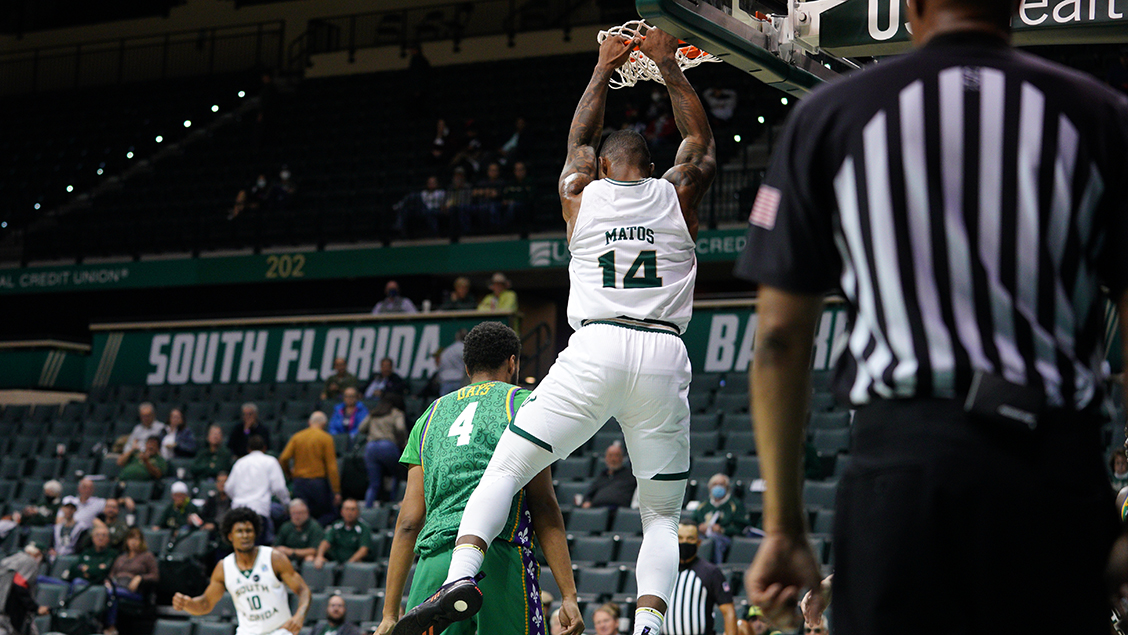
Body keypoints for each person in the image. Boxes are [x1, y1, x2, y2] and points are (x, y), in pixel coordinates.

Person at [733, 0, 1128, 629]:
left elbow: (779, 339)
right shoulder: (1099, 115)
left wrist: (783, 526)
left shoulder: (833, 115)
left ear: (912, 7)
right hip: (1052, 471)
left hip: (903, 474)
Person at [418, 28, 714, 635]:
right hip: (662, 352)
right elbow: (700, 141)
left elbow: (579, 136)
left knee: (504, 472)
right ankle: (651, 626)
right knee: (660, 516)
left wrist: (605, 65)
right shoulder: (676, 192)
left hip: (595, 345)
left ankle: (460, 578)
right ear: (654, 168)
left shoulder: (580, 192)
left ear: (603, 168)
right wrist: (666, 65)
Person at [379, 322, 582, 635]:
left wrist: (390, 614)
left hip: (433, 566)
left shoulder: (429, 416)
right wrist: (568, 594)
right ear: (512, 362)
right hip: (498, 557)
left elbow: (408, 521)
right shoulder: (524, 404)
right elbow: (544, 505)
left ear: (465, 365)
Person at [172, 507, 311, 635]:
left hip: (280, 631)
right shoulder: (224, 567)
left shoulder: (274, 558)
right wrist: (187, 604)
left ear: (255, 534)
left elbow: (303, 590)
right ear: (230, 536)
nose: (245, 535)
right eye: (239, 531)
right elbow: (206, 604)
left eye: (249, 531)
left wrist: (300, 615)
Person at [666, 523, 737, 635]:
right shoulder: (664, 571)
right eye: (680, 538)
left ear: (698, 542)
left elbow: (728, 611)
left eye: (690, 538)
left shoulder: (710, 572)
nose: (684, 542)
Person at [225, 436, 290, 544]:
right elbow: (279, 487)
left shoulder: (240, 462)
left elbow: (228, 488)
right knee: (257, 549)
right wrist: (286, 504)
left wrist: (239, 498)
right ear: (264, 448)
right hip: (259, 510)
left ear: (248, 449)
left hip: (238, 510)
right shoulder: (270, 461)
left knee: (240, 548)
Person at [279, 412, 341, 523]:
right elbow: (332, 467)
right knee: (329, 513)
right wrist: (336, 491)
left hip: (299, 483)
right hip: (318, 484)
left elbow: (283, 458)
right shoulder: (326, 438)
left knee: (301, 514)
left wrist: (289, 474)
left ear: (309, 422)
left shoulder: (297, 437)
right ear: (324, 424)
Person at [104, 527, 159, 635]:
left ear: (141, 541)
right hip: (116, 586)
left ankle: (111, 627)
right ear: (127, 541)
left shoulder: (147, 556)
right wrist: (108, 583)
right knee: (104, 592)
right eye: (131, 538)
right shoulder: (121, 557)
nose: (133, 542)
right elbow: (111, 575)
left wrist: (140, 578)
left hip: (134, 592)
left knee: (111, 593)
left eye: (137, 539)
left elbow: (155, 576)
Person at [357, 396, 406, 507]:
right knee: (395, 476)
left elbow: (361, 428)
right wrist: (402, 440)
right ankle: (393, 505)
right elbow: (400, 427)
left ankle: (367, 510)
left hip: (371, 448)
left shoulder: (374, 413)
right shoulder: (395, 413)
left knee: (373, 484)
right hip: (387, 446)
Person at [692, 474, 747, 563]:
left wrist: (722, 530)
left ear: (727, 487)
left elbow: (741, 527)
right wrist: (698, 527)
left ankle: (716, 567)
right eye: (715, 484)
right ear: (710, 487)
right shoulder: (703, 505)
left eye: (721, 484)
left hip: (726, 538)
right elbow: (692, 521)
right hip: (704, 535)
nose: (718, 487)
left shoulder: (735, 505)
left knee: (715, 540)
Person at [0, 545, 49, 634]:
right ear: (37, 554)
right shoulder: (29, 562)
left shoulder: (9, 559)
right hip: (8, 613)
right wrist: (34, 607)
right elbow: (20, 585)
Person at [313, 500, 371, 567]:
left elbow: (363, 550)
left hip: (354, 564)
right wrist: (319, 556)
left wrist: (349, 563)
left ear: (358, 512)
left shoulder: (364, 528)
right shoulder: (336, 525)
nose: (349, 513)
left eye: (353, 509)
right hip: (335, 563)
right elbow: (325, 542)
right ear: (342, 512)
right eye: (347, 509)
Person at [582, 443, 635, 509]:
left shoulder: (630, 475)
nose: (613, 459)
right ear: (606, 458)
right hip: (596, 509)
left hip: (616, 510)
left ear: (622, 458)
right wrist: (587, 501)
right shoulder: (602, 475)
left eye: (617, 456)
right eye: (610, 456)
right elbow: (589, 494)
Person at [273, 499, 325, 564]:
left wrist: (291, 552)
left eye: (299, 513)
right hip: (287, 559)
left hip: (306, 560)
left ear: (307, 513)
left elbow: (314, 550)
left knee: (310, 558)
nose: (296, 517)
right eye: (293, 513)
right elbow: (275, 546)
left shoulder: (314, 527)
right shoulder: (286, 526)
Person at [436, 329, 467, 395]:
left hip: (446, 381)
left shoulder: (448, 350)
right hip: (458, 381)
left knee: (445, 404)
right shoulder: (463, 348)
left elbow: (440, 366)